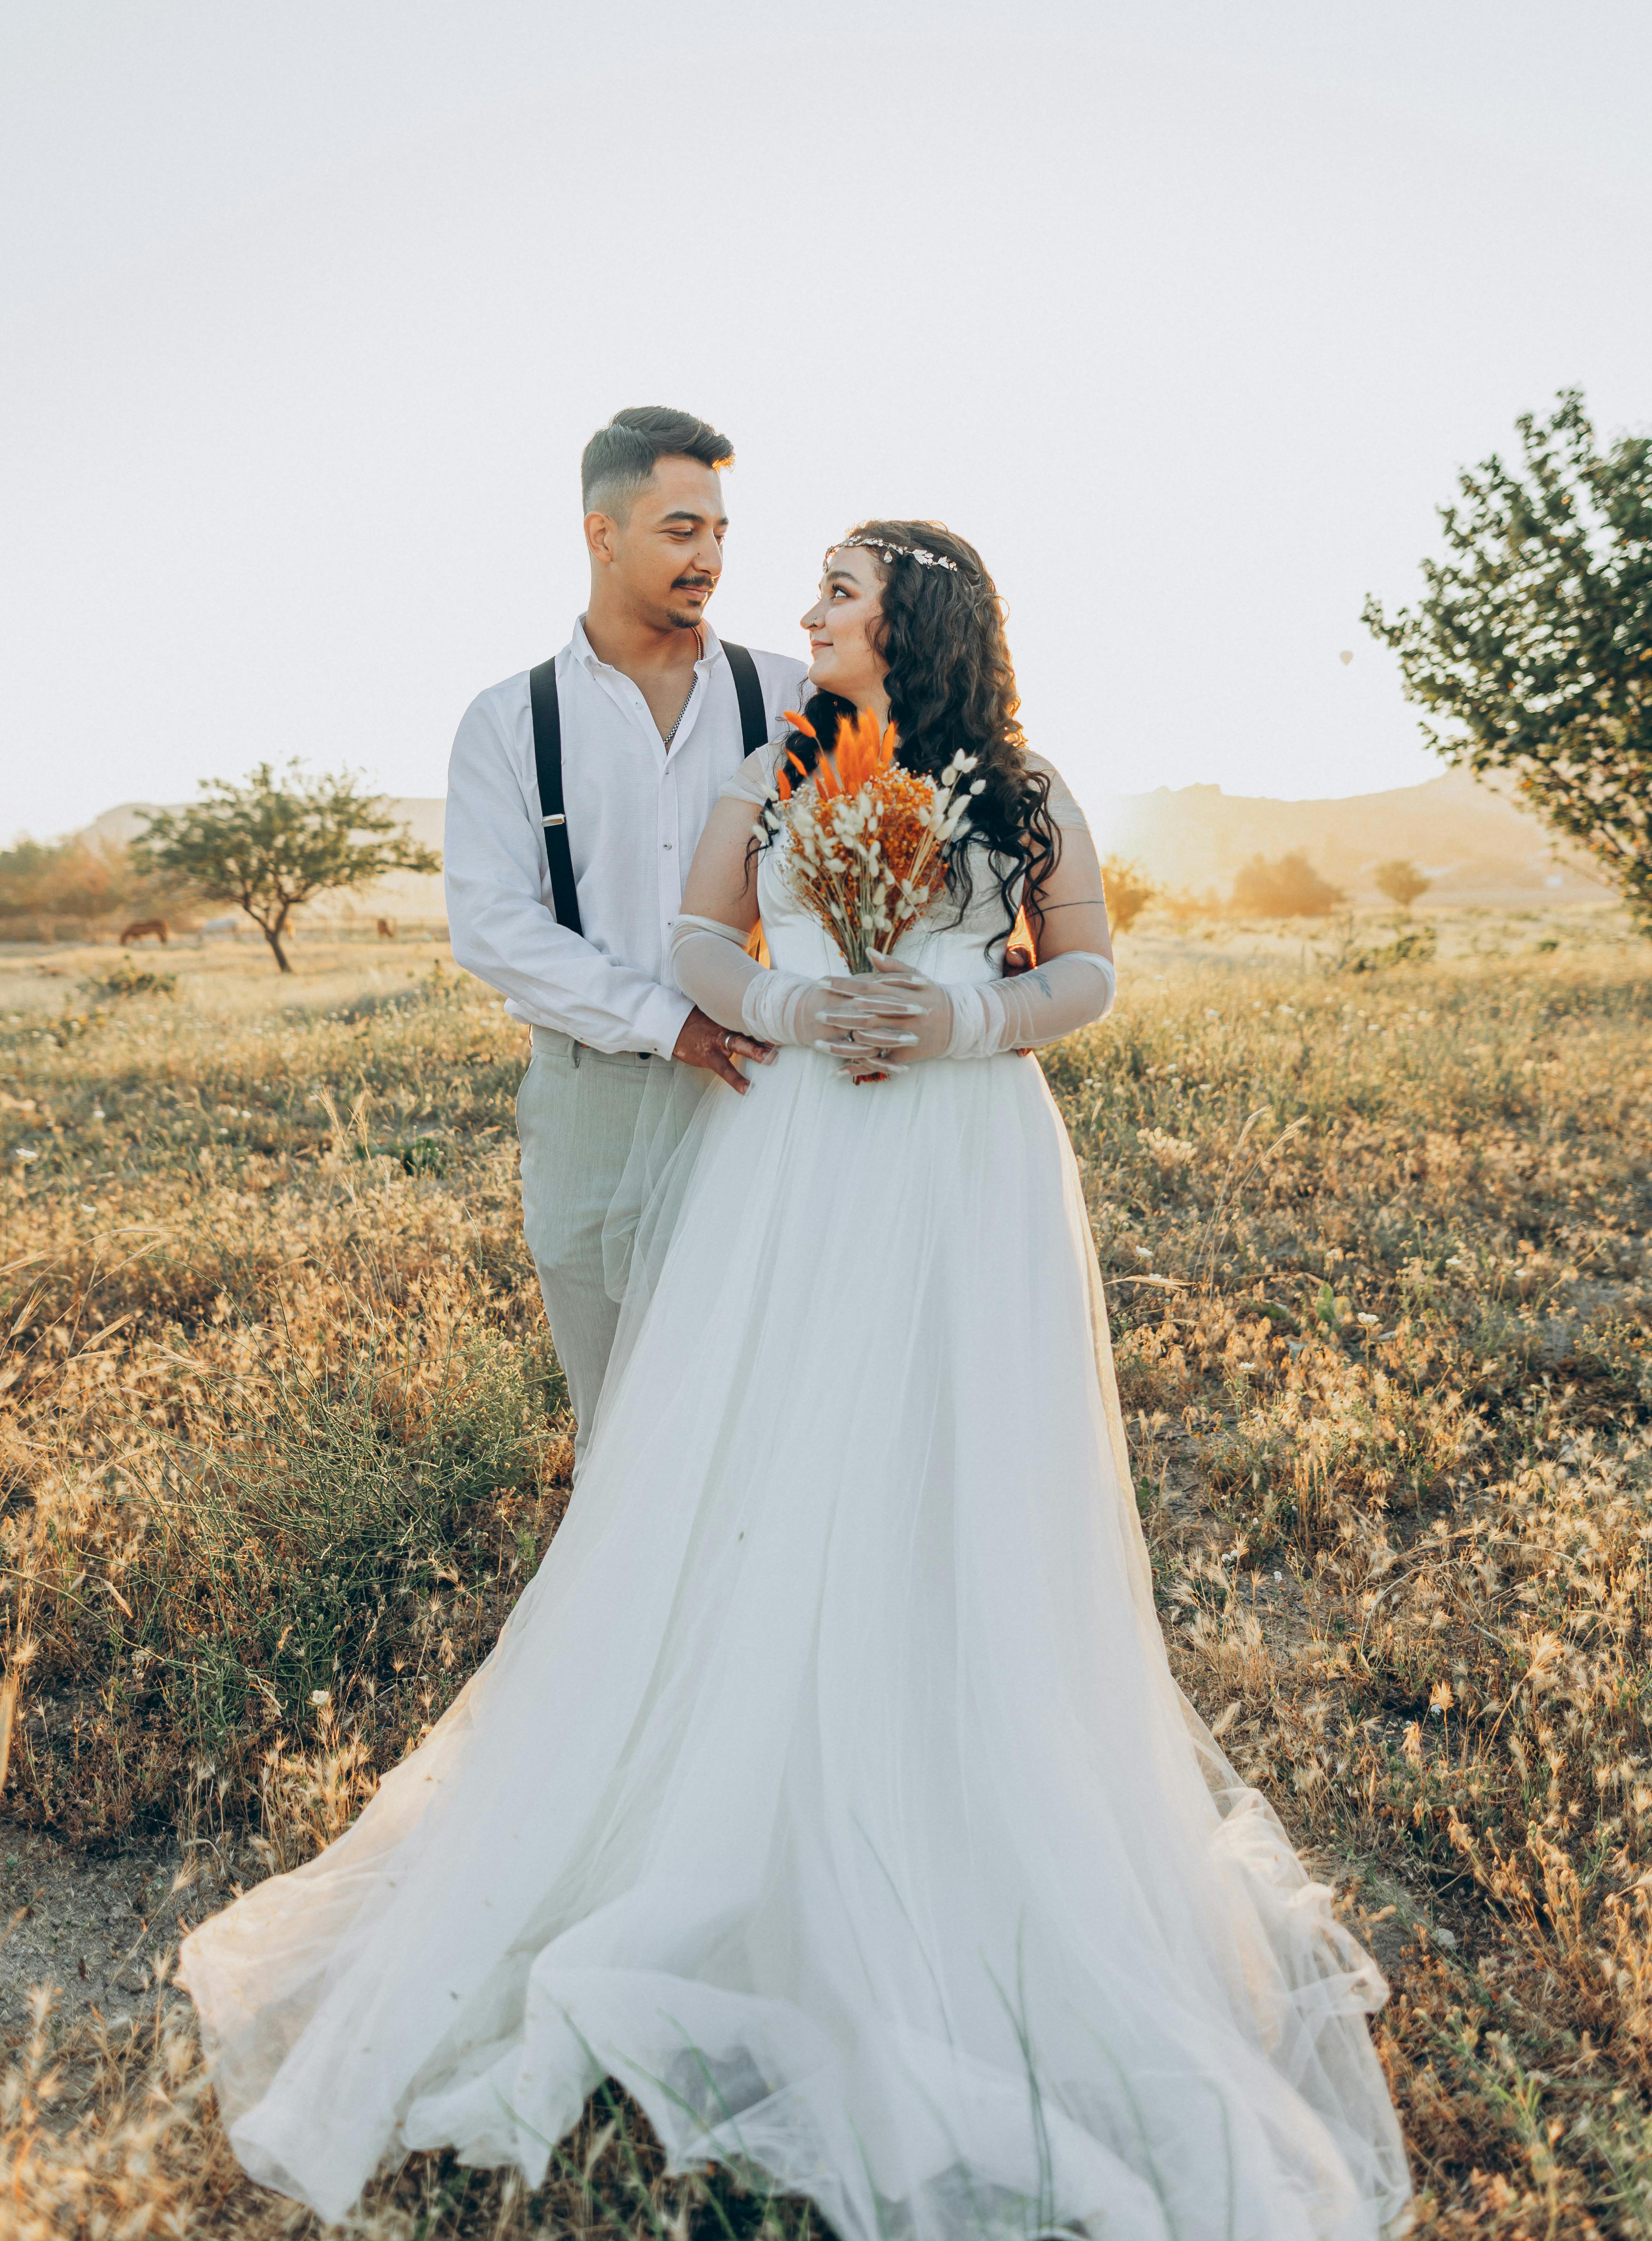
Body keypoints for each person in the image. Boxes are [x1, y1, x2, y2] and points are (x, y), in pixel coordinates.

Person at [180, 521, 1411, 2240]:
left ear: (907, 617)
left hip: (963, 1153)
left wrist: (966, 1019)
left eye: (834, 589)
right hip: (801, 1156)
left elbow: (1086, 971)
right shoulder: (775, 766)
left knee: (956, 1456)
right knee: (763, 1457)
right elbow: (690, 944)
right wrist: (779, 997)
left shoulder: (1023, 778)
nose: (803, 610)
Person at [443, 405, 807, 1453]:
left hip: (765, 1089)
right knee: (622, 1426)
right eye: (682, 529)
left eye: (722, 532)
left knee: (764, 1404)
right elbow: (494, 927)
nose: (712, 558)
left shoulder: (788, 697)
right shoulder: (509, 722)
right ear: (602, 535)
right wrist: (668, 1020)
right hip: (592, 1098)